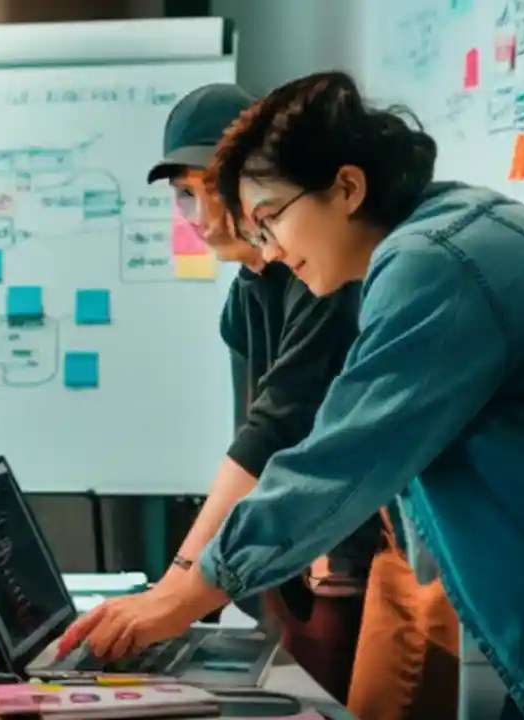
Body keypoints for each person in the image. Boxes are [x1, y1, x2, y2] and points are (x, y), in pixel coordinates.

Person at [59, 70, 524, 719]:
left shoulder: (433, 264)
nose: (274, 251)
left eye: (273, 220)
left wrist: (184, 593)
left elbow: (337, 461)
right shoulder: (437, 232)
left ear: (346, 188)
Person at [140, 83, 376, 702]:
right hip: (282, 547)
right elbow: (249, 428)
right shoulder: (246, 291)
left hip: (341, 558)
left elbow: (274, 428)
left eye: (206, 190)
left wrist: (179, 584)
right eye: (182, 197)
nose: (199, 217)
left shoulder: (321, 273)